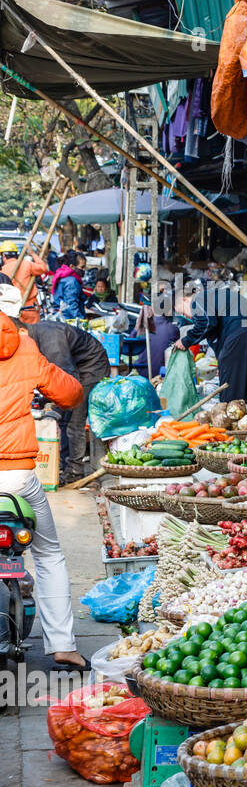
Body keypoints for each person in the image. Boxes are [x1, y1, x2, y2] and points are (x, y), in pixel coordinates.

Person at [0, 286, 88, 669]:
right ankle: (64, 646)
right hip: (17, 475)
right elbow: (70, 392)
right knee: (48, 553)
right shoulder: (22, 345)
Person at [24, 320, 110, 483]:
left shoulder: (51, 340)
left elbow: (69, 383)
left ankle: (75, 470)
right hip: (76, 367)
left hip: (91, 367)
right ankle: (63, 463)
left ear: (22, 332)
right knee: (63, 419)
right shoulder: (34, 336)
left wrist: (56, 408)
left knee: (74, 420)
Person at [173, 289, 247, 404]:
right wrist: (222, 361)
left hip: (241, 335)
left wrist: (186, 341)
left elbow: (207, 323)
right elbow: (216, 332)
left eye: (183, 312)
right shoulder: (214, 298)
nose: (187, 316)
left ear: (184, 299)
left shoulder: (198, 299)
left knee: (231, 394)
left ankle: (230, 418)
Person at [0, 241, 47, 321]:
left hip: (12, 310)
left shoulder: (3, 271)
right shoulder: (27, 264)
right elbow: (43, 268)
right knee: (34, 332)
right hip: (31, 308)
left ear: (4, 256)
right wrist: (33, 254)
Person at [49, 253, 85, 322]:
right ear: (72, 266)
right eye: (82, 267)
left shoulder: (65, 277)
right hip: (67, 320)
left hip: (60, 318)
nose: (84, 270)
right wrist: (80, 320)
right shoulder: (72, 281)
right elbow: (71, 305)